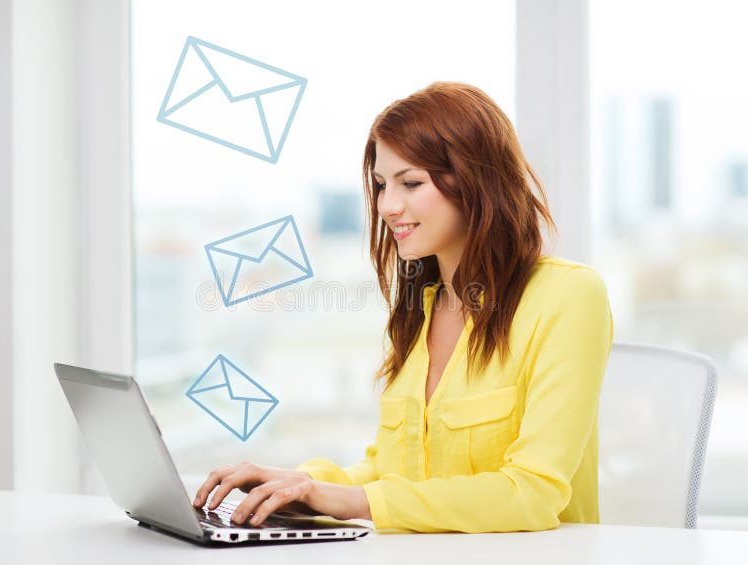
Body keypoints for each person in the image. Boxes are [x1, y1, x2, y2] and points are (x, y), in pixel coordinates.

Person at [193, 81, 614, 533]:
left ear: (476, 180)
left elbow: (532, 493)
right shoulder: (422, 307)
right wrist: (301, 485)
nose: (388, 205)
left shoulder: (569, 296)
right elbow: (392, 474)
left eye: (411, 182)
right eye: (380, 184)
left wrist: (349, 500)